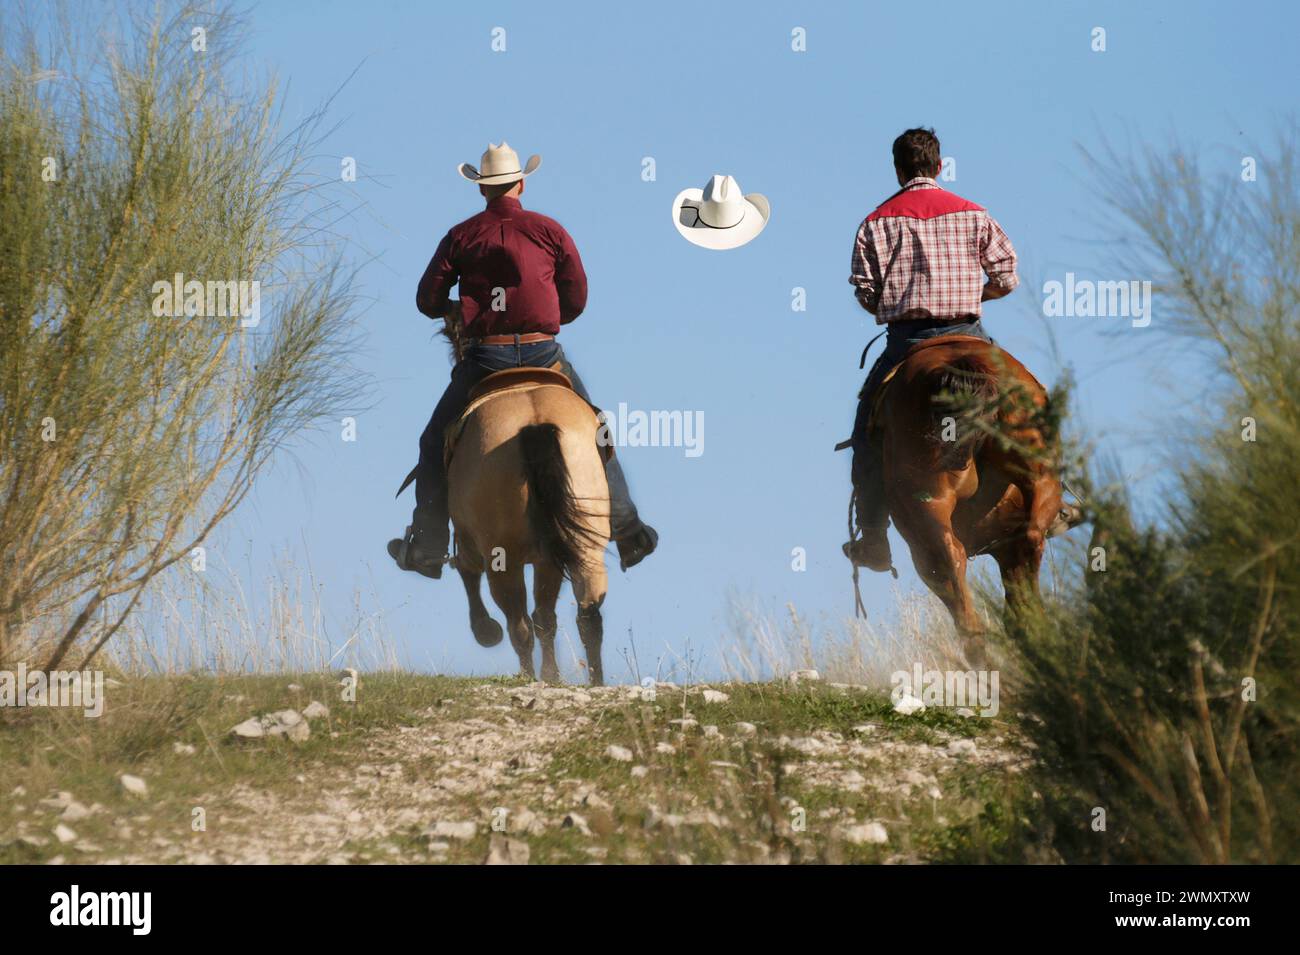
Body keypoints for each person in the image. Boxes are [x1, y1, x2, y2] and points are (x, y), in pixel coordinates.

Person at [388, 142, 658, 579]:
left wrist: (460, 307)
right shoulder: (550, 230)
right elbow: (577, 299)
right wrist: (546, 319)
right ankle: (627, 530)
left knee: (433, 441)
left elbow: (427, 299)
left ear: (482, 191)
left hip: (485, 358)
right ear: (522, 182)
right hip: (543, 352)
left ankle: (430, 545)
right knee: (598, 428)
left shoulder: (460, 235)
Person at [844, 127, 1019, 571]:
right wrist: (977, 295)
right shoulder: (974, 214)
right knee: (1028, 401)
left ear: (898, 169)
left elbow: (865, 293)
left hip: (909, 342)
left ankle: (874, 536)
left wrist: (890, 299)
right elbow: (1007, 277)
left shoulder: (875, 222)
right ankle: (1061, 496)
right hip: (969, 332)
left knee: (867, 427)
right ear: (939, 166)